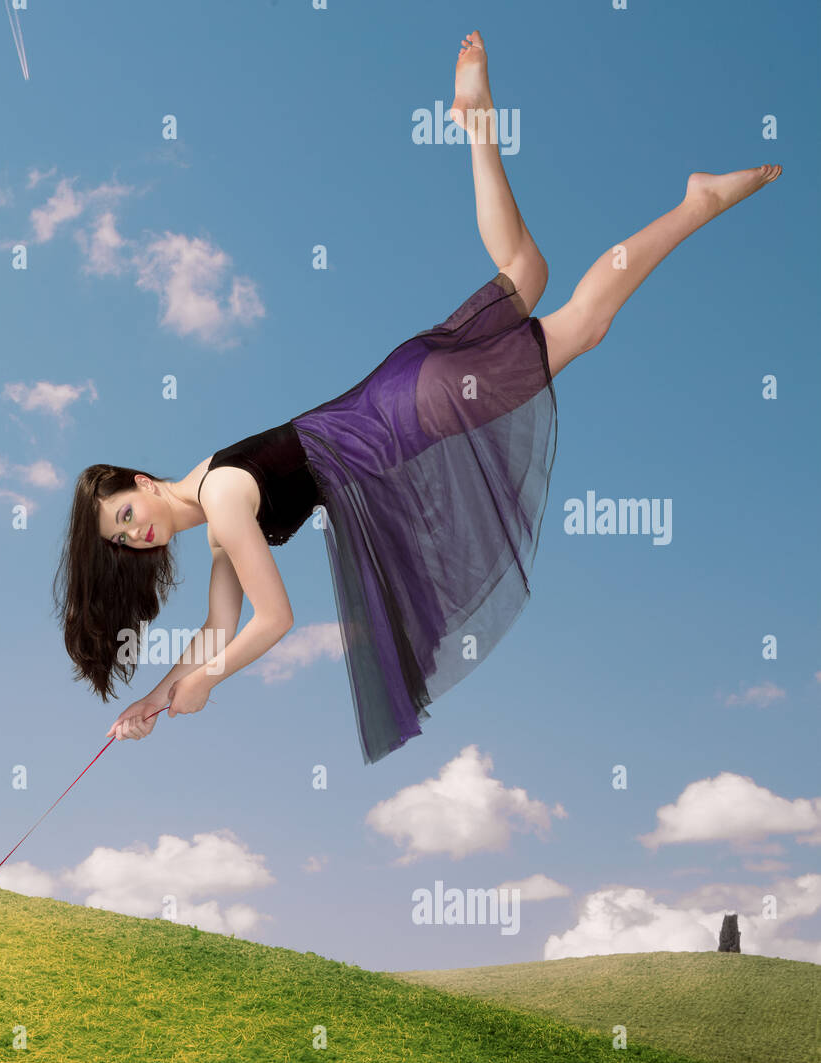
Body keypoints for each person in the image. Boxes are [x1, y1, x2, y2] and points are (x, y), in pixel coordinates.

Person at [52, 30, 781, 764]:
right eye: (121, 538)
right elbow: (218, 624)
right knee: (526, 271)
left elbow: (273, 619)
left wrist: (208, 680)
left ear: (140, 483)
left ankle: (696, 204)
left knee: (581, 329)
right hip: (401, 380)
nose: (134, 533)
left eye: (124, 514)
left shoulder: (225, 499)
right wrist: (154, 697)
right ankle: (475, 124)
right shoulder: (214, 502)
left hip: (418, 405)